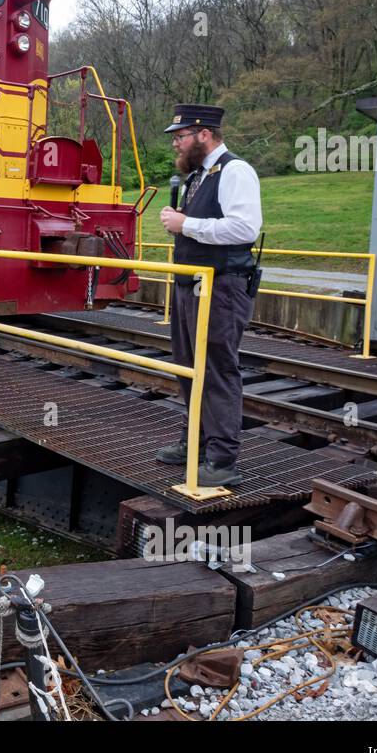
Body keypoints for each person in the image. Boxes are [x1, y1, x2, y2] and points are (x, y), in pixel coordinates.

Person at [155, 104, 262, 487]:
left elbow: (244, 228)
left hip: (221, 286)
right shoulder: (197, 177)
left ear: (204, 134)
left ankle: (222, 459)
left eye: (180, 137)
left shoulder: (235, 171)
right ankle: (195, 443)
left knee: (216, 368)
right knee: (189, 367)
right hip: (191, 284)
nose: (176, 145)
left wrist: (188, 224)